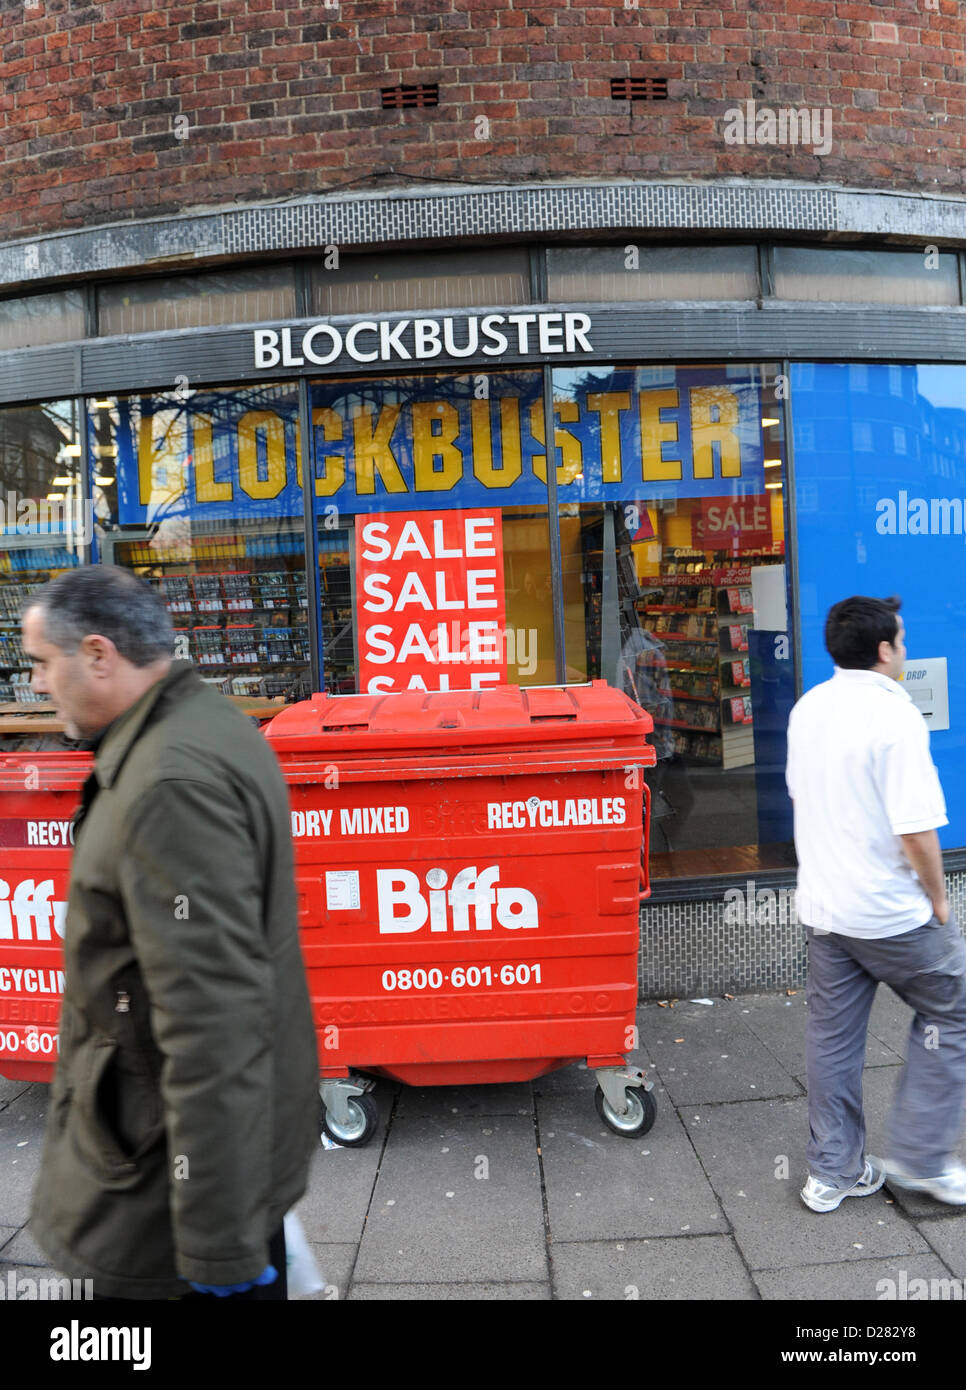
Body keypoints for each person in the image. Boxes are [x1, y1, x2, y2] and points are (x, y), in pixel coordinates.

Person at [20, 566, 319, 1298]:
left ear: (97, 655)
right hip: (204, 1164)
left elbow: (212, 1018)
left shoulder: (166, 785)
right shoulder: (204, 726)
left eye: (40, 663)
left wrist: (217, 1241)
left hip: (163, 1196)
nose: (35, 685)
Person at [786, 594, 966, 1212]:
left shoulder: (808, 709)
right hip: (890, 914)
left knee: (832, 1041)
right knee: (953, 1013)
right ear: (884, 650)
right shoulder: (895, 717)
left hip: (827, 909)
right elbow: (915, 829)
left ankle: (832, 1172)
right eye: (903, 640)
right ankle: (921, 1160)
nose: (907, 650)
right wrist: (939, 900)